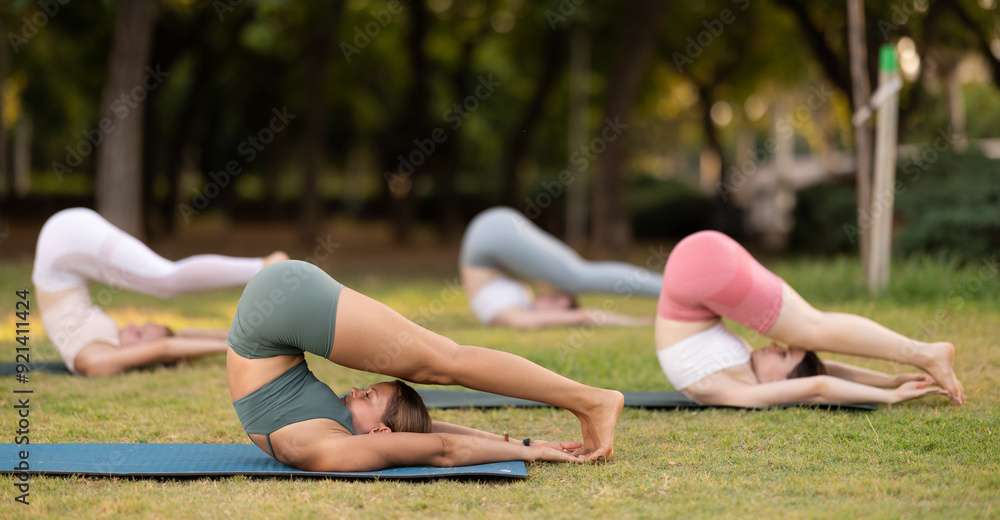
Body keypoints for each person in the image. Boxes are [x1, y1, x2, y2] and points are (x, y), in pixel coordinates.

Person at [227, 260, 624, 472]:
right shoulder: (339, 438)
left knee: (444, 362)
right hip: (278, 309)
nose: (353, 391)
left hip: (278, 310)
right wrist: (528, 448)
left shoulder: (331, 445)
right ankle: (592, 401)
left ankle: (591, 401)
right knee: (443, 363)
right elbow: (435, 443)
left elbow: (433, 444)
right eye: (367, 392)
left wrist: (526, 449)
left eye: (365, 395)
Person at [654, 230, 965, 407]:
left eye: (784, 353)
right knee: (811, 328)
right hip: (700, 269)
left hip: (699, 270)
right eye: (785, 351)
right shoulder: (743, 377)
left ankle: (927, 353)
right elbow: (818, 378)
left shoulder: (739, 389)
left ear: (779, 383)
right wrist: (890, 385)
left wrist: (891, 393)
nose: (776, 345)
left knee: (813, 328)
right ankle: (926, 353)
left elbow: (817, 384)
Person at [32, 207, 288, 376]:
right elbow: (177, 339)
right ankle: (265, 266)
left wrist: (233, 347)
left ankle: (265, 266)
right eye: (141, 329)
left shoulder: (95, 361)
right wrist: (242, 339)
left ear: (142, 354)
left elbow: (166, 347)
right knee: (164, 279)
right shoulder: (113, 347)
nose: (132, 324)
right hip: (64, 247)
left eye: (140, 332)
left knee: (165, 280)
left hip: (62, 247)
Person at [460, 206, 661, 328]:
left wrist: (637, 323)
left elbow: (584, 316)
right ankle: (671, 289)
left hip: (490, 236)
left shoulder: (514, 314)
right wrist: (637, 322)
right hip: (492, 234)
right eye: (558, 297)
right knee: (577, 275)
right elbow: (585, 315)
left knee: (577, 277)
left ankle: (667, 288)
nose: (552, 293)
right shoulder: (523, 302)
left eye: (556, 299)